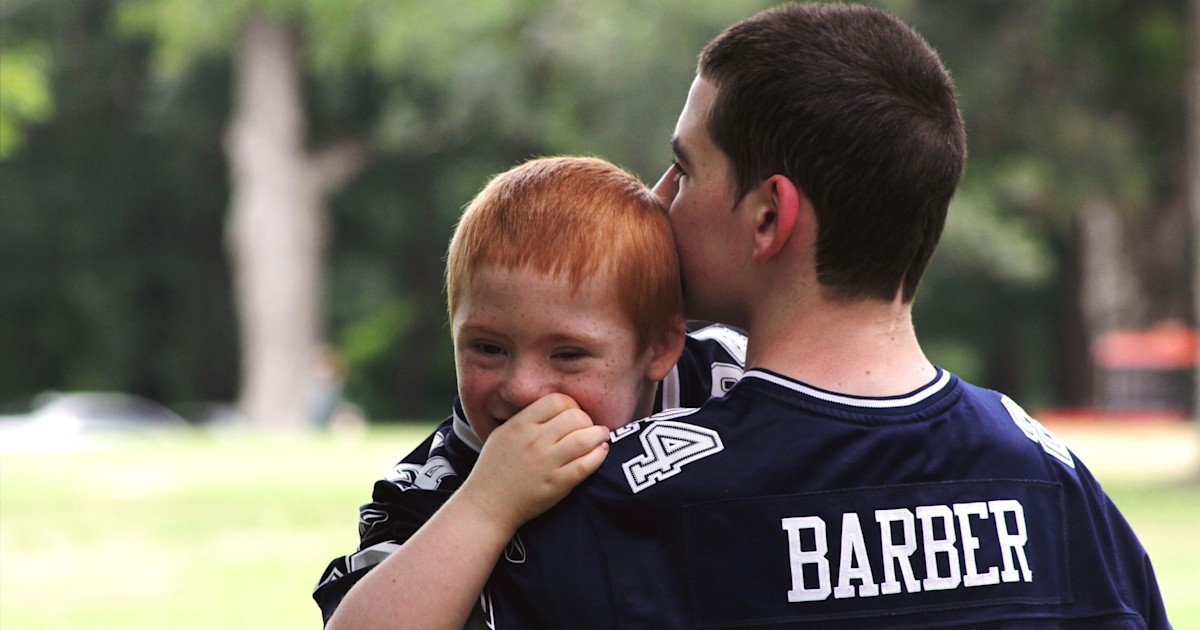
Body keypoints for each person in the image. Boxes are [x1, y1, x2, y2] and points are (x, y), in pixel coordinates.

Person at [482, 4, 1171, 628]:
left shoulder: (620, 506)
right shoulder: (1056, 487)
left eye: (683, 170)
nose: (659, 200)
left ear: (768, 218)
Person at [312, 156, 747, 628]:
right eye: (487, 348)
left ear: (659, 347)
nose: (522, 388)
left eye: (567, 354)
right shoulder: (435, 486)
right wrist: (486, 506)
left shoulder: (732, 378)